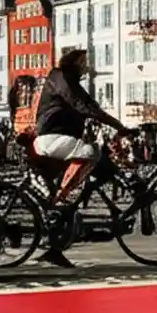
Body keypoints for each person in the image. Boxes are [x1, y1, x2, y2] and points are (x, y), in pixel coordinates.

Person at [32, 49, 130, 206]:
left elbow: (91, 105)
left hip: (62, 138)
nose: (86, 66)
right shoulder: (60, 77)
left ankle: (76, 200)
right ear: (74, 62)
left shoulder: (70, 81)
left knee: (104, 166)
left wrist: (119, 126)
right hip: (51, 136)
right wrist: (117, 126)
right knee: (90, 152)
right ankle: (61, 197)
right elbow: (83, 106)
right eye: (83, 62)